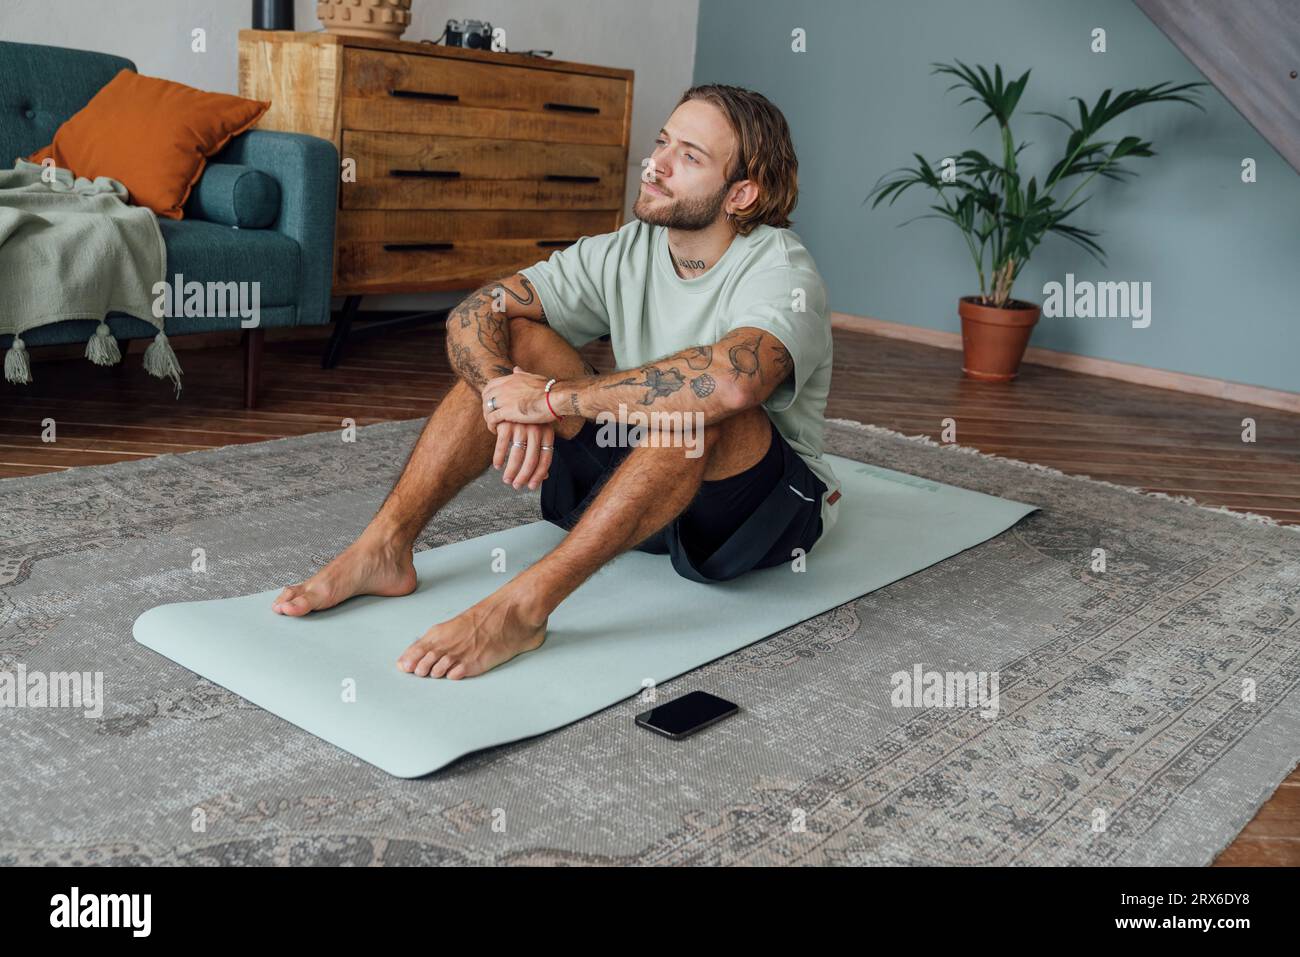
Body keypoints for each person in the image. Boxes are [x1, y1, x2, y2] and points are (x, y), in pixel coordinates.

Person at [271, 83, 842, 679]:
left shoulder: (780, 268)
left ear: (742, 193)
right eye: (661, 143)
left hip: (758, 514)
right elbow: (476, 312)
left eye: (690, 157)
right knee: (515, 340)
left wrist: (550, 399)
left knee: (699, 410)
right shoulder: (628, 248)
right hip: (643, 478)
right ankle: (385, 547)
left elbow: (729, 385)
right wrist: (504, 393)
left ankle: (521, 610)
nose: (656, 165)